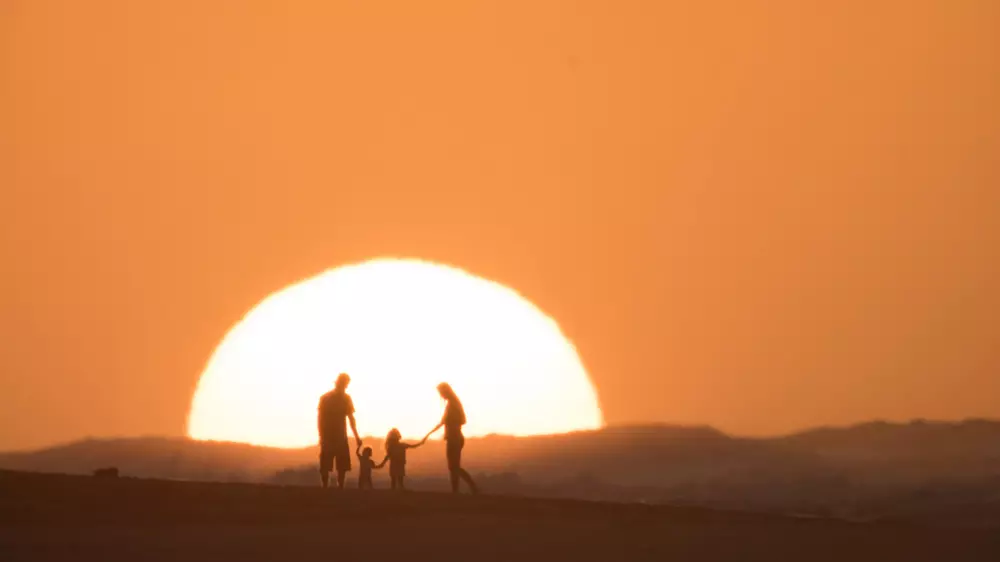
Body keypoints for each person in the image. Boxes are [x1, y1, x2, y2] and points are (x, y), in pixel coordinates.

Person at [424, 382, 478, 494]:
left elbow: (462, 420)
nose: (440, 395)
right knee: (453, 467)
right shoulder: (451, 404)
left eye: (441, 392)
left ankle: (470, 487)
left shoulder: (453, 403)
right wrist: (429, 434)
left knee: (454, 467)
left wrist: (452, 423)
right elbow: (443, 422)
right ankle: (458, 490)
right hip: (452, 437)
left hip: (455, 438)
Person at [317, 373, 362, 489]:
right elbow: (320, 418)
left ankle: (334, 487)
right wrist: (321, 435)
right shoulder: (328, 398)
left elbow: (351, 418)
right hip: (332, 435)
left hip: (336, 435)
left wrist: (356, 436)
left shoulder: (333, 398)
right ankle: (329, 487)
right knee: (330, 464)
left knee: (337, 464)